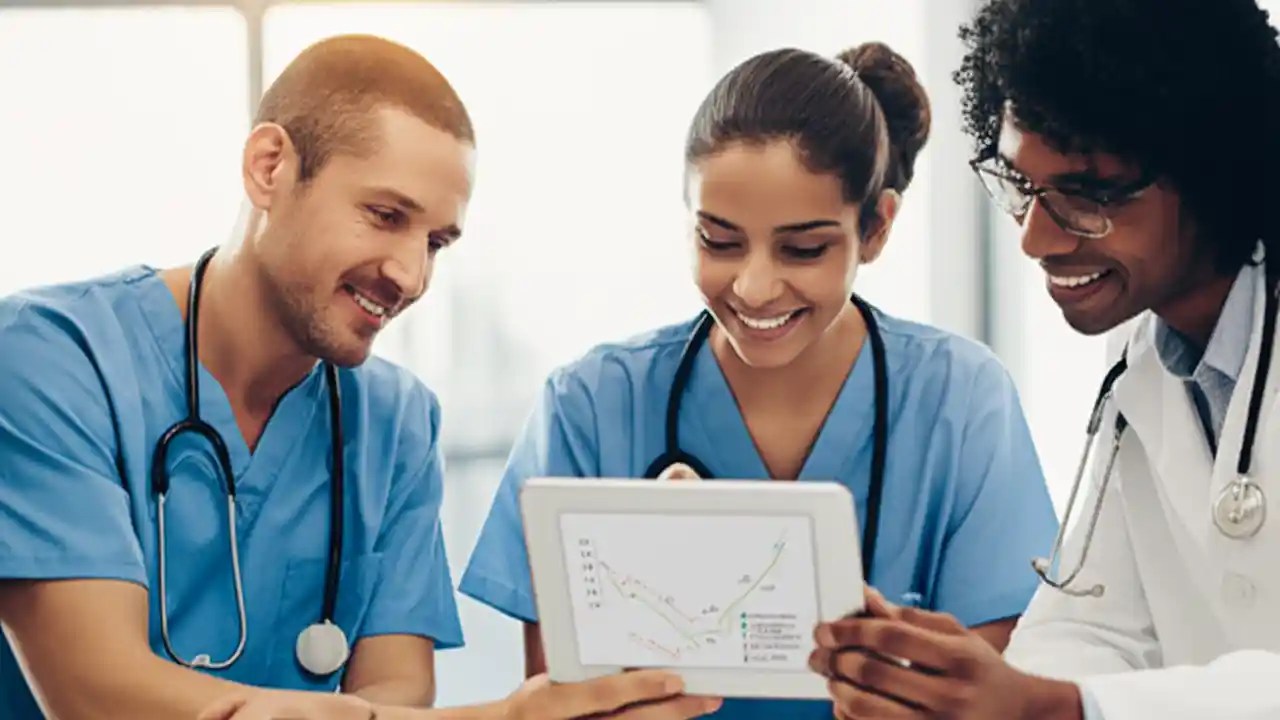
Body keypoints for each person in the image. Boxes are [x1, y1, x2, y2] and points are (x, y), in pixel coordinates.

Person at [0, 34, 719, 720]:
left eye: (436, 241)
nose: (410, 275)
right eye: (384, 215)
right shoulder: (52, 359)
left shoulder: (395, 419)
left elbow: (399, 690)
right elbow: (98, 697)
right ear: (269, 167)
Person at [458, 41, 1059, 719]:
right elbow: (563, 702)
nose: (755, 286)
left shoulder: (961, 399)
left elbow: (987, 697)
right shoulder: (592, 406)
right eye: (719, 241)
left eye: (804, 249)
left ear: (877, 227)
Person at [807, 1, 1280, 718]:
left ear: (1214, 168)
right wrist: (965, 690)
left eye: (1087, 195)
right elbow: (1089, 626)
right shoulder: (1140, 369)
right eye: (1024, 187)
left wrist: (1054, 706)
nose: (1036, 240)